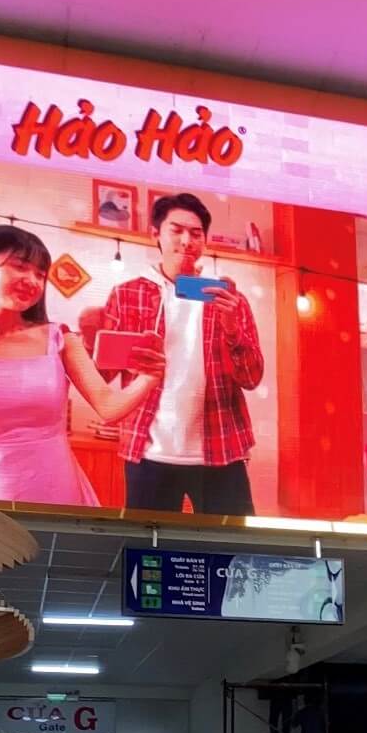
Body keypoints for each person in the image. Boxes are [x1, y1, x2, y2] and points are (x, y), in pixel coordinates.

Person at [0, 224, 165, 504]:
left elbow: (108, 407)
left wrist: (149, 377)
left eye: (40, 274)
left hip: (57, 492)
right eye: (19, 267)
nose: (32, 281)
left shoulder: (60, 338)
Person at [80, 193, 264, 515]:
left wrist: (233, 327)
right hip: (149, 451)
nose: (186, 241)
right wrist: (91, 337)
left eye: (195, 233)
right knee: (149, 550)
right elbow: (103, 377)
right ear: (157, 235)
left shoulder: (229, 300)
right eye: (176, 230)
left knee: (234, 550)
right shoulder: (127, 294)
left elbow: (251, 378)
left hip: (221, 449)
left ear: (204, 241)